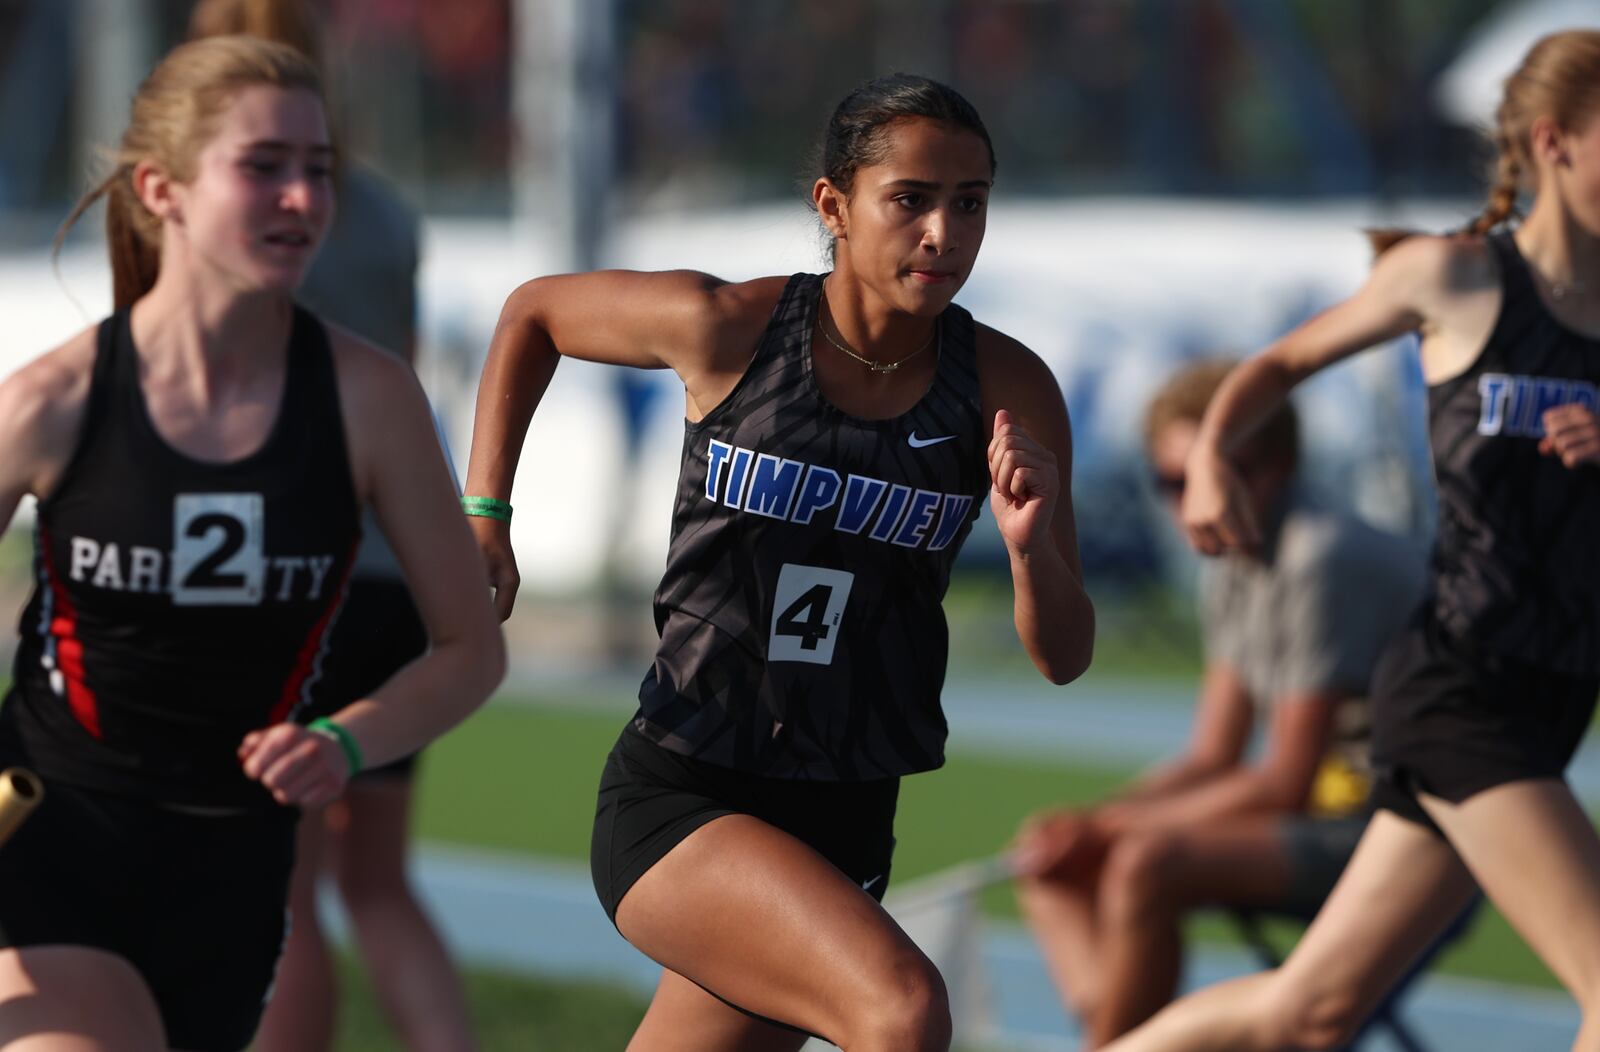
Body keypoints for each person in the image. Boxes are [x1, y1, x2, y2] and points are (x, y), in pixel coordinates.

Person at [464, 73, 1095, 1051]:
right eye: (911, 200)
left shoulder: (1007, 389)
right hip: (685, 790)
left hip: (846, 815)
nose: (944, 232)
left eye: (969, 203)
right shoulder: (729, 328)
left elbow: (1063, 653)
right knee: (903, 1007)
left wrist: (1026, 549)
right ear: (832, 206)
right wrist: (485, 515)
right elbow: (532, 314)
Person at [0, 35, 504, 1051]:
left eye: (316, 170)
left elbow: (469, 649)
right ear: (162, 189)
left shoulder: (368, 399)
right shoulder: (53, 401)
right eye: (262, 166)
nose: (301, 199)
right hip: (58, 844)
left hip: (236, 874)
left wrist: (345, 739)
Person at [1103, 29, 1600, 1052]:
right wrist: (1208, 463)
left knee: (1308, 1010)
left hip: (1556, 694)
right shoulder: (1457, 278)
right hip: (1462, 686)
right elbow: (1277, 366)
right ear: (1553, 144)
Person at [184, 4, 477, 1050]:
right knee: (378, 879)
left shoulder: (218, 212)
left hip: (292, 567)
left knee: (286, 882)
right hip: (398, 566)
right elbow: (397, 370)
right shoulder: (385, 209)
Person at [1012, 359, 1426, 1047]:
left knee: (1146, 860)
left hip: (1397, 831)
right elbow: (1213, 754)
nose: (1180, 505)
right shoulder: (1230, 551)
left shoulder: (1321, 556)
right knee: (1050, 861)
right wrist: (1091, 823)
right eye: (1165, 483)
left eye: (1193, 480)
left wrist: (1113, 831)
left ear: (1273, 469)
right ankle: (1117, 1038)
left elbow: (1285, 781)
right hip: (1329, 810)